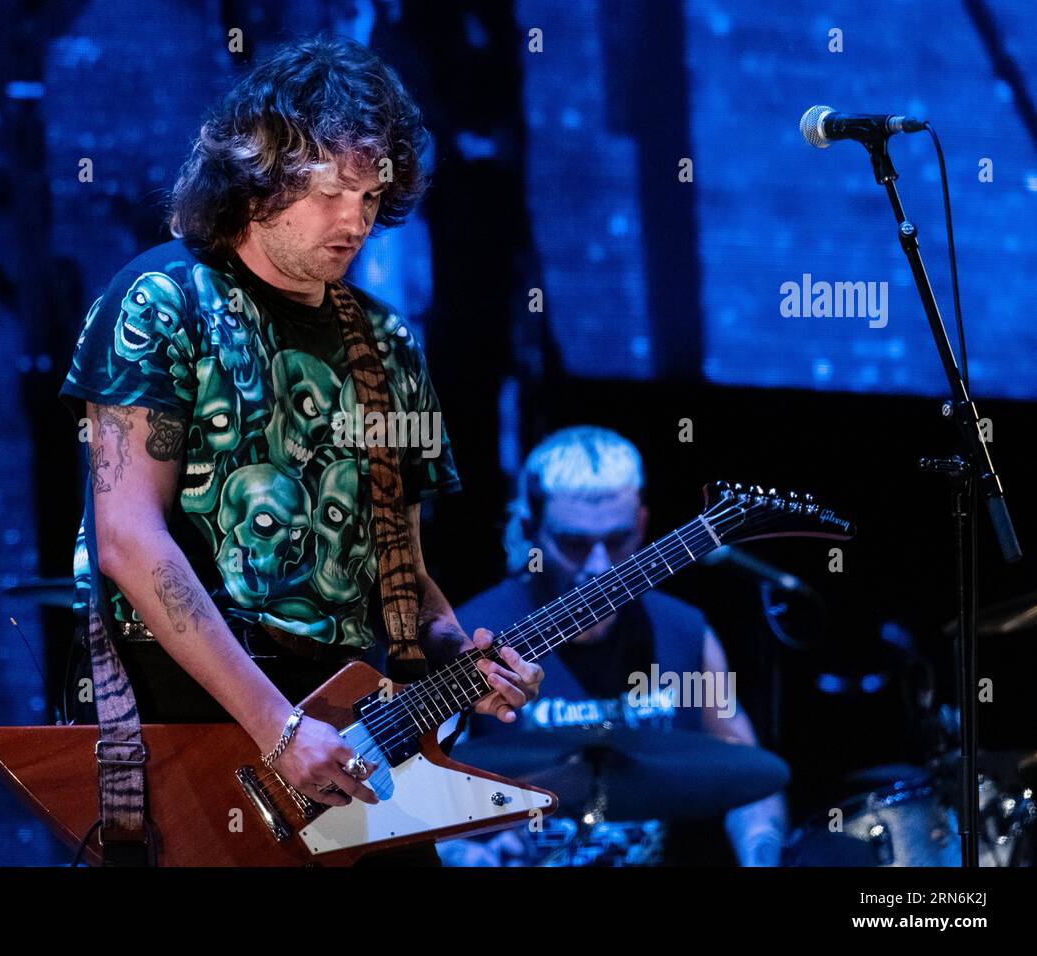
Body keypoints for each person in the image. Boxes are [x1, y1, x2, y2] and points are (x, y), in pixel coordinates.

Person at [58, 35, 542, 865]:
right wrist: (276, 727)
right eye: (332, 192)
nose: (355, 221)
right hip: (197, 725)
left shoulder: (386, 343)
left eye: (371, 196)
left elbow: (402, 570)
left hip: (347, 743)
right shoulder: (162, 301)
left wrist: (462, 652)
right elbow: (129, 539)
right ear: (260, 178)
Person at [442, 426, 786, 866]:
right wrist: (465, 856)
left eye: (618, 539)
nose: (599, 567)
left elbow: (750, 777)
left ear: (642, 523)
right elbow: (412, 811)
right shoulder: (470, 640)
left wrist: (762, 851)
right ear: (531, 528)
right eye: (574, 543)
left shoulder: (686, 632)